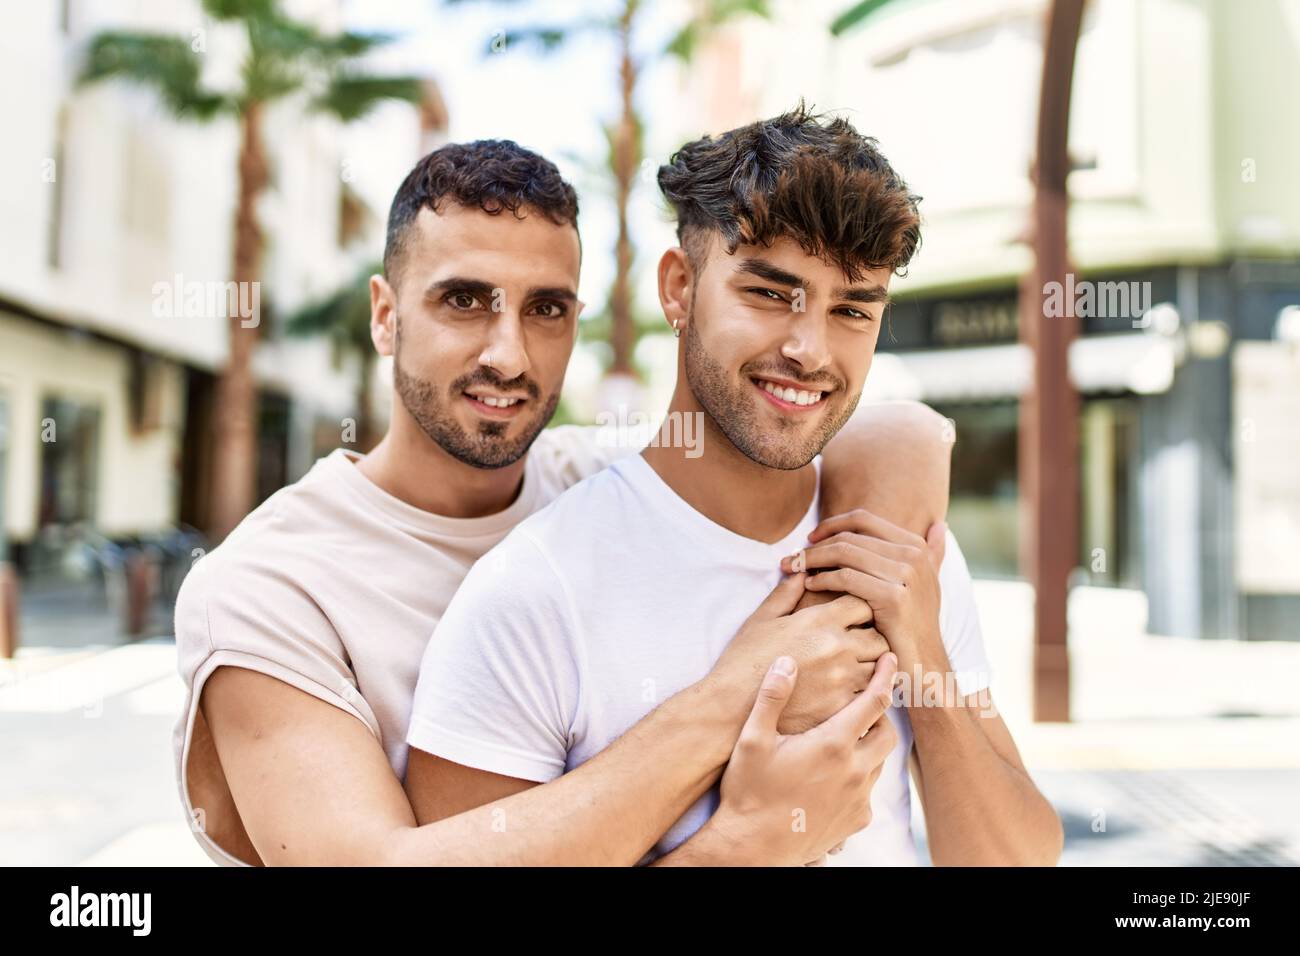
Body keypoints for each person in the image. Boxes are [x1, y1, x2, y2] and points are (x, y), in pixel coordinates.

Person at [174, 136, 955, 866]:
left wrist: (869, 578)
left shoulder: (590, 479)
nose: (507, 354)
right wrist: (739, 777)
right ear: (386, 314)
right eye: (464, 301)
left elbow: (897, 434)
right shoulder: (266, 584)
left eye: (546, 309)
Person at [404, 108, 1064, 866]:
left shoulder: (901, 549)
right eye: (769, 293)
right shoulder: (532, 594)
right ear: (679, 287)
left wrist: (922, 656)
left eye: (851, 309)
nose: (809, 348)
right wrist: (747, 843)